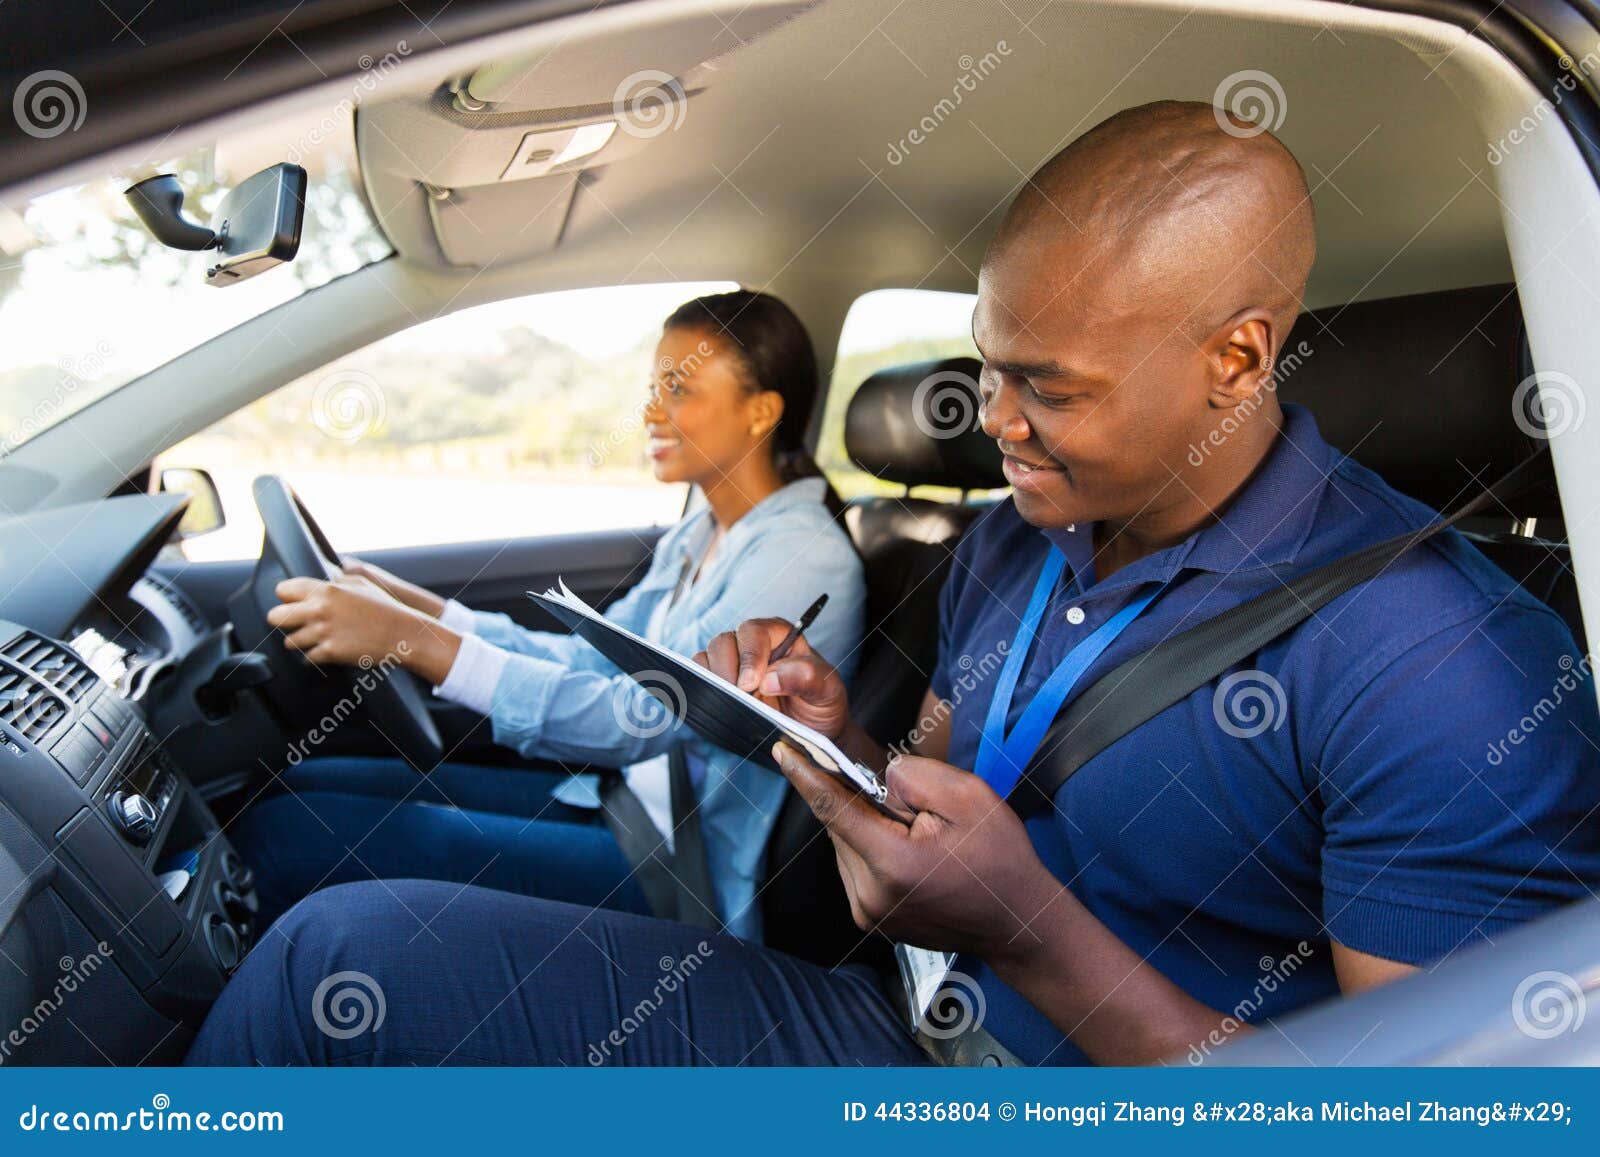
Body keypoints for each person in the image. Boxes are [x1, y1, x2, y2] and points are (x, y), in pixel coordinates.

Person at [188, 101, 1600, 1068]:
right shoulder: (1009, 540)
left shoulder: (1443, 662)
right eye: (990, 364)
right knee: (344, 960)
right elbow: (923, 781)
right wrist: (830, 737)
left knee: (334, 974)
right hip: (895, 1026)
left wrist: (1025, 929)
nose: (993, 417)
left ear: (1233, 363)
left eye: (1050, 385)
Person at [225, 289, 865, 942]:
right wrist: (416, 606)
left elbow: (636, 718)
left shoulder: (803, 558)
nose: (650, 410)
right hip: (613, 802)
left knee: (284, 842)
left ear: (760, 412)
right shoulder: (704, 531)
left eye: (679, 389)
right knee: (303, 784)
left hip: (675, 869)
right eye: (653, 386)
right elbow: (593, 660)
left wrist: (410, 639)